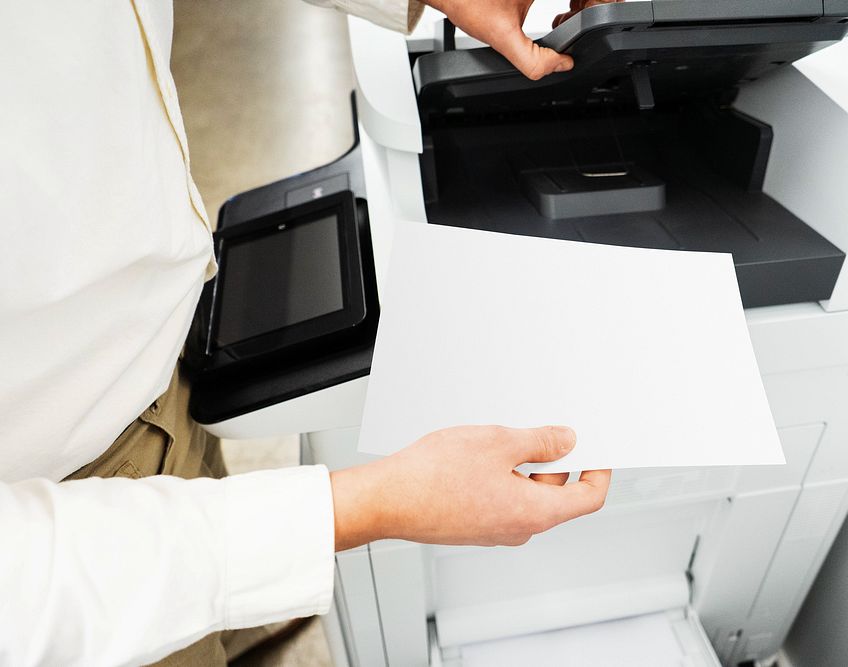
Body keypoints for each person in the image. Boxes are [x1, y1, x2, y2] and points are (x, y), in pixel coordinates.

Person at [0, 0, 615, 665]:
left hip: (156, 353)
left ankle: (232, 627)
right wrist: (369, 505)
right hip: (76, 514)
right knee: (183, 619)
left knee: (216, 571)